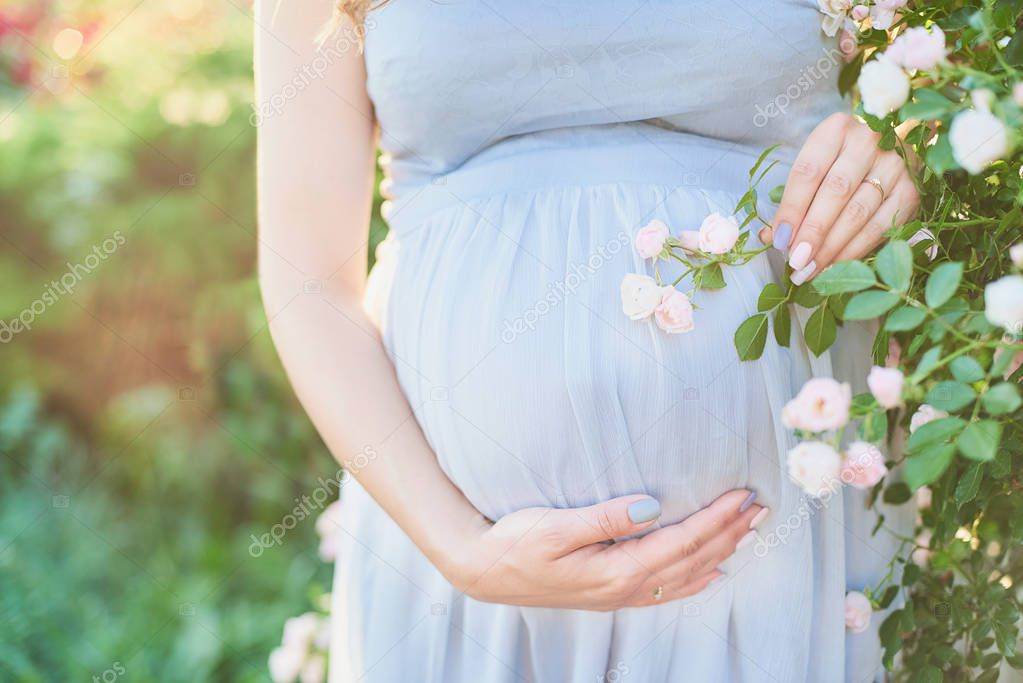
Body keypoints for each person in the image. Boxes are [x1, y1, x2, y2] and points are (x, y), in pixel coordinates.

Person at [255, 1, 918, 680]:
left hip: (782, 546)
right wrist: (463, 552)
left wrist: (910, 146)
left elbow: (963, 88)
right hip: (467, 578)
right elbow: (308, 282)